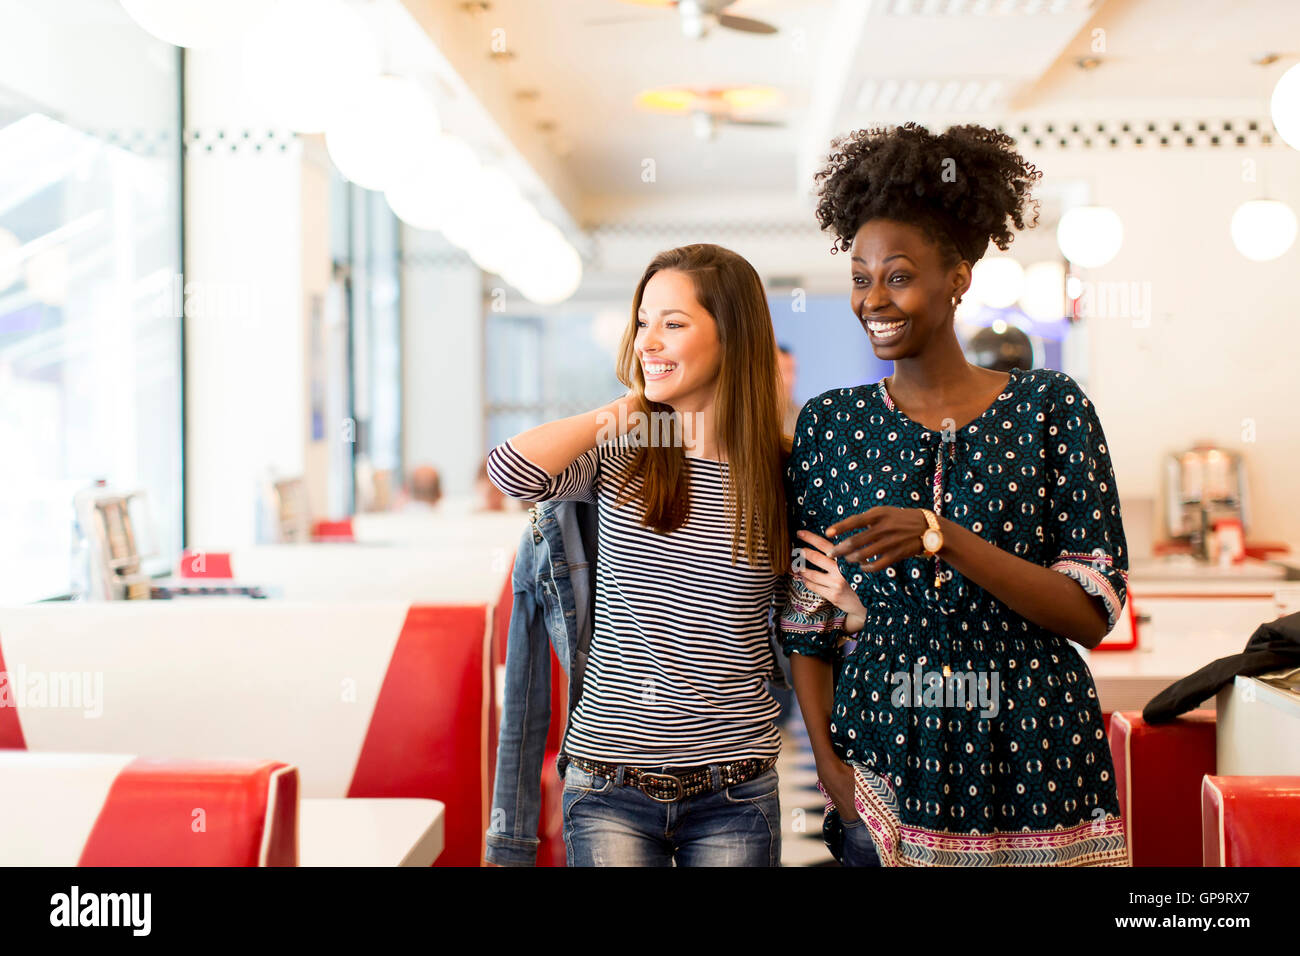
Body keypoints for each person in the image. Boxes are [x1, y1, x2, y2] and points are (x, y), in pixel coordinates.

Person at [779, 122, 1130, 867]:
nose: (874, 297)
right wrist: (835, 776)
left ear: (958, 277)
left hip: (1036, 744)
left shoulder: (1051, 407)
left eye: (898, 275)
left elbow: (1090, 612)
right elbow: (806, 618)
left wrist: (944, 536)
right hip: (883, 746)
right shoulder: (831, 424)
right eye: (861, 276)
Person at [486, 243, 790, 867]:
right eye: (643, 321)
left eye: (673, 324)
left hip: (736, 786)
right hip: (609, 785)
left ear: (732, 335)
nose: (649, 339)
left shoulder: (781, 467)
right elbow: (509, 471)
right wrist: (628, 407)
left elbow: (812, 616)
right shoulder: (623, 452)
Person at [777, 342, 801, 437]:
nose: (791, 380)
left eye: (793, 371)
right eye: (785, 371)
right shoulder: (754, 414)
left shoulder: (801, 416)